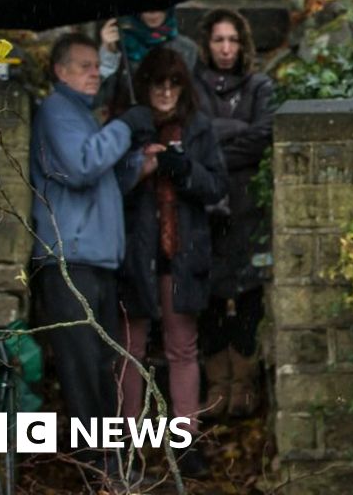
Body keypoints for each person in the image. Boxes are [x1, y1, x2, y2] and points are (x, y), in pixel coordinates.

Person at [29, 33, 154, 474]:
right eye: (84, 66)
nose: (94, 73)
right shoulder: (56, 110)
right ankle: (99, 468)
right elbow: (83, 167)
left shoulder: (80, 114)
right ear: (60, 71)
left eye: (96, 66)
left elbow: (102, 182)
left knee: (102, 367)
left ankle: (108, 464)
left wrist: (140, 162)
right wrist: (124, 127)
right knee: (83, 371)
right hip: (70, 261)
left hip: (94, 259)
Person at [114, 46, 227, 479]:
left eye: (173, 84)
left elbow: (215, 185)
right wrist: (142, 167)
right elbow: (107, 183)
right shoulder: (128, 125)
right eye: (157, 84)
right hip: (135, 252)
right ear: (144, 86)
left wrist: (183, 168)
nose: (165, 92)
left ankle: (186, 441)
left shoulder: (198, 127)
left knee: (182, 347)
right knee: (130, 349)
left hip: (182, 253)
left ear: (184, 87)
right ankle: (128, 443)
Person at [192, 8, 275, 418]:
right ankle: (216, 387)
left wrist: (216, 146)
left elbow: (263, 136)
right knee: (207, 296)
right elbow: (193, 136)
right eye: (218, 40)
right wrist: (234, 132)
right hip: (204, 207)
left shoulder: (259, 86)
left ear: (242, 44)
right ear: (207, 45)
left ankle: (243, 385)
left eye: (232, 40)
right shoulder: (193, 86)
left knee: (248, 296)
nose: (226, 48)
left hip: (247, 207)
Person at [98, 8, 199, 112]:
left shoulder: (186, 49)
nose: (153, 12)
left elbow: (188, 94)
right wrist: (109, 50)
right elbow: (103, 89)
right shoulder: (119, 42)